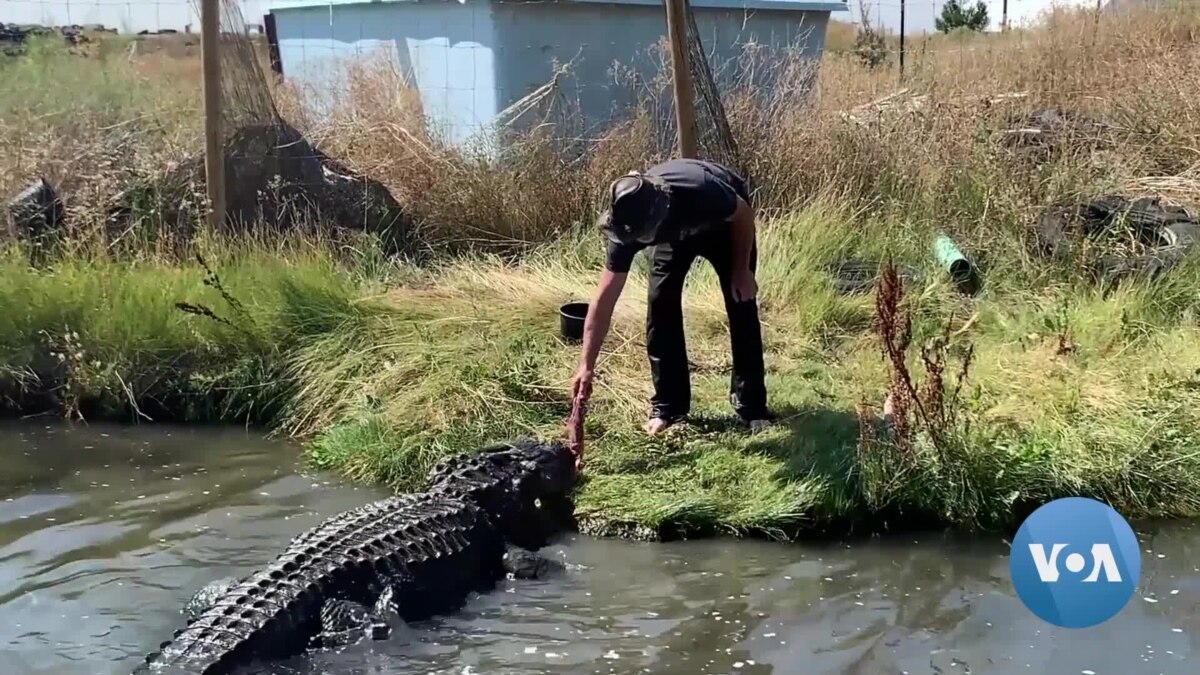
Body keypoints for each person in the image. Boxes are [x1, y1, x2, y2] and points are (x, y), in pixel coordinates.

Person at [568, 158, 771, 441]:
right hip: (672, 231)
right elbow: (603, 302)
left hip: (725, 226)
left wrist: (741, 270)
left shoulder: (702, 190)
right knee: (660, 302)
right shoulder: (625, 228)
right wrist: (586, 366)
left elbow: (742, 214)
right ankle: (668, 407)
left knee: (741, 301)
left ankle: (752, 406)